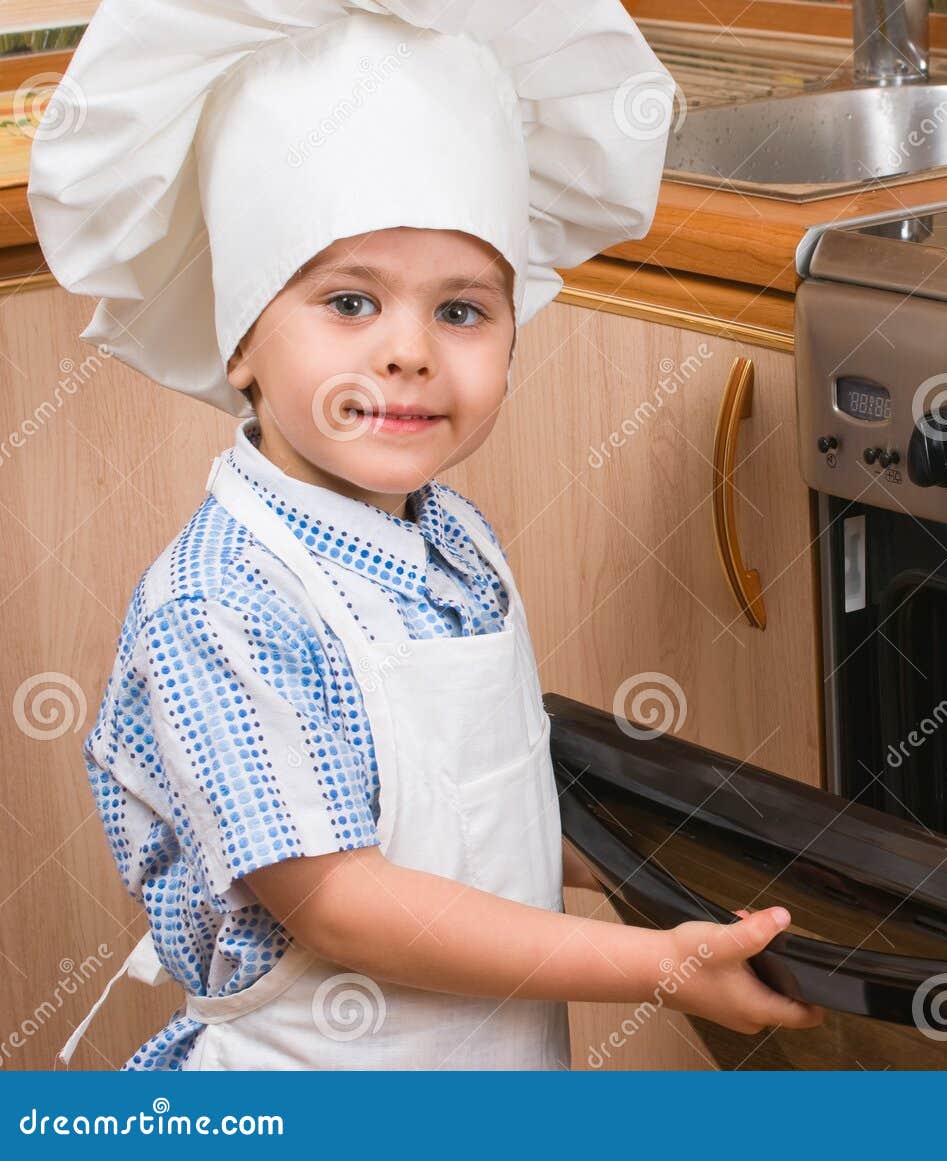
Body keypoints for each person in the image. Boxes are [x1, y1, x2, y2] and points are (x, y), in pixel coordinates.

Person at [29, 0, 823, 1070]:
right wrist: (654, 967)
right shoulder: (221, 604)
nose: (408, 352)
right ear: (240, 345)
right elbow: (344, 907)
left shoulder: (453, 543)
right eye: (350, 302)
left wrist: (668, 876)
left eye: (461, 311)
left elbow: (463, 832)